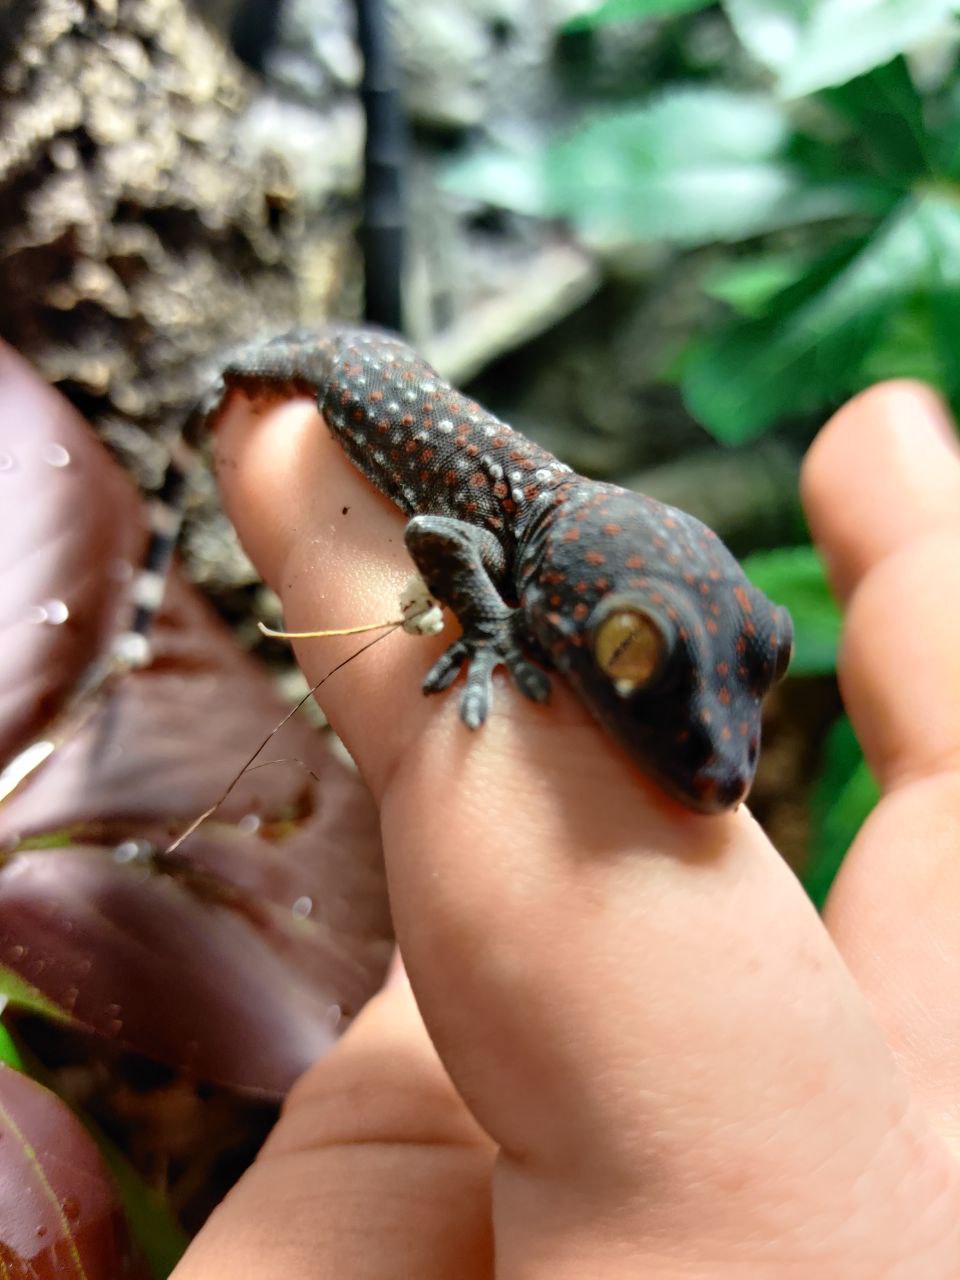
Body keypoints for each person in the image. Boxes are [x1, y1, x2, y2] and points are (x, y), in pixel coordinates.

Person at [153, 381, 960, 1276]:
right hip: (301, 384)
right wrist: (490, 624)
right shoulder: (504, 536)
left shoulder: (552, 535)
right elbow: (434, 537)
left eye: (755, 659)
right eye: (632, 652)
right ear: (551, 589)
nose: (731, 762)